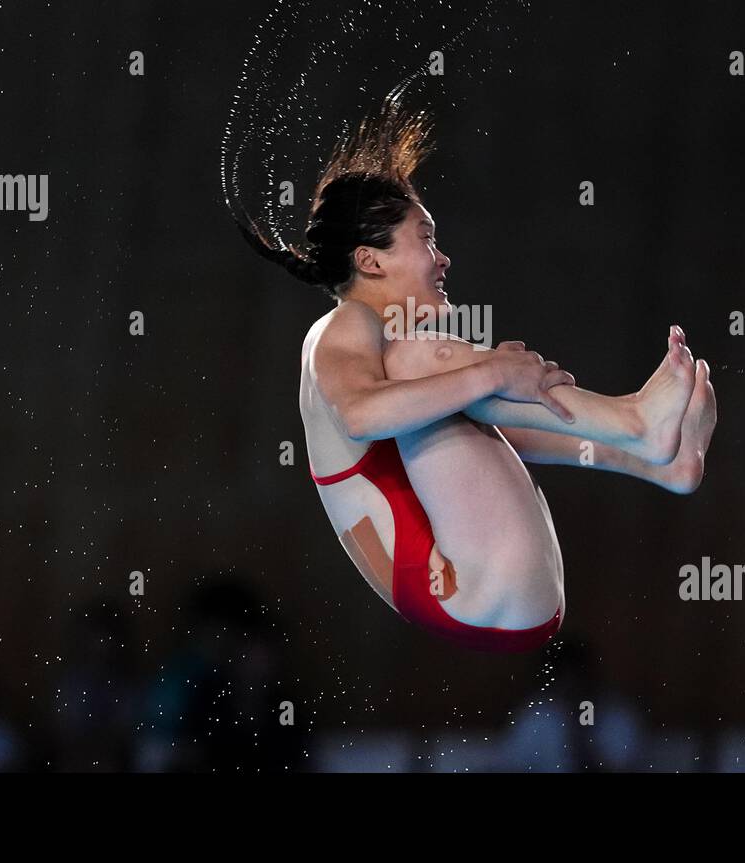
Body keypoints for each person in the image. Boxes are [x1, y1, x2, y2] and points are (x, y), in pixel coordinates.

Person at [233, 91, 717, 651]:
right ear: (370, 260)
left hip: (495, 600)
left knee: (444, 392)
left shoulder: (382, 353)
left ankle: (649, 454)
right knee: (423, 364)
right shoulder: (343, 328)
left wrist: (496, 381)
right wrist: (492, 374)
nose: (443, 258)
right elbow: (362, 415)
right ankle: (636, 421)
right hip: (465, 590)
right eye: (427, 238)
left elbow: (488, 427)